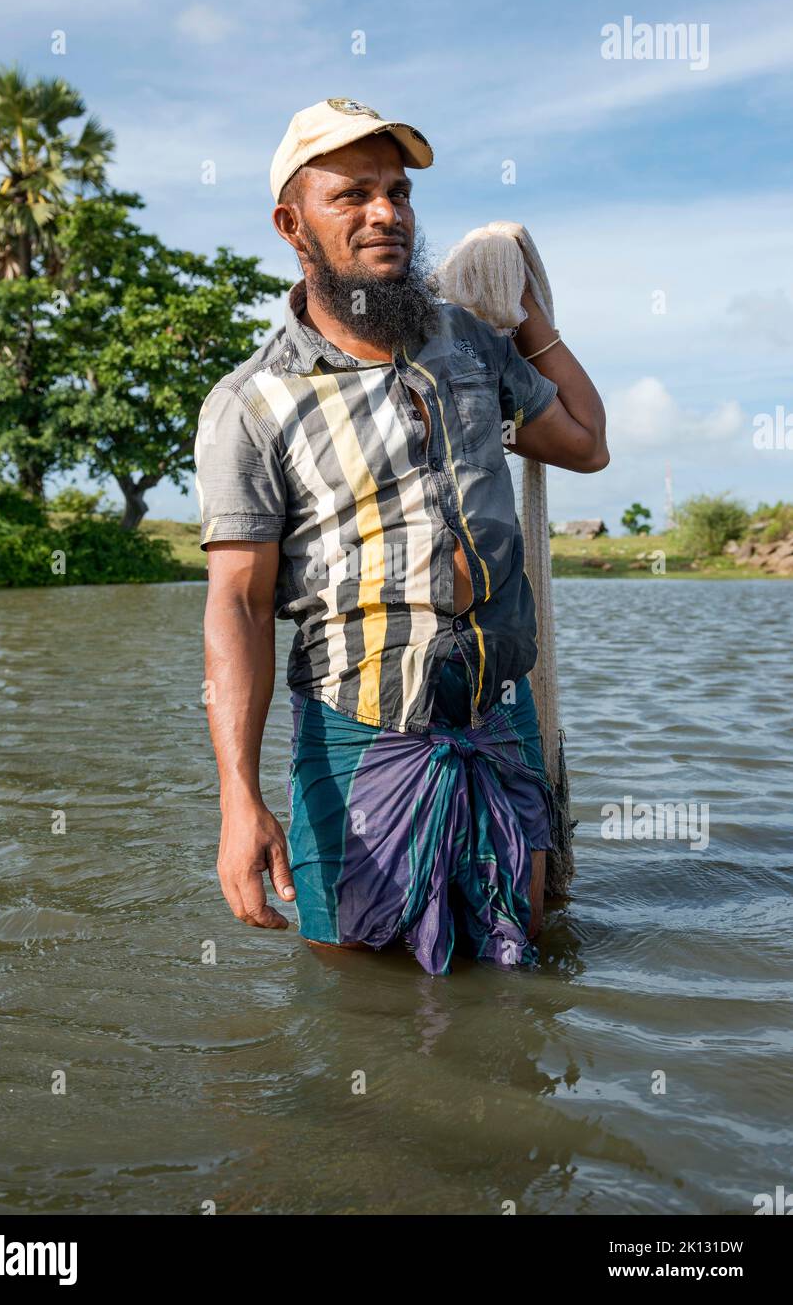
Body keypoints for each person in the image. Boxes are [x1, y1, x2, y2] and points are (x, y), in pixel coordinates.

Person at [194, 97, 608, 975]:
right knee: (354, 991)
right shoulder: (253, 402)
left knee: (514, 967)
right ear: (291, 223)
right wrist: (239, 798)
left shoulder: (466, 346)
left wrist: (525, 312)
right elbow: (237, 603)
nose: (385, 213)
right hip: (357, 734)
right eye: (351, 195)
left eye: (398, 192)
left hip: (497, 718)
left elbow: (585, 443)